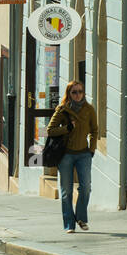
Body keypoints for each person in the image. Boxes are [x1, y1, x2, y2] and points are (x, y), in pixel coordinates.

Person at [46, 80, 98, 233]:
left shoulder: (89, 110)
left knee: (86, 188)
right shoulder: (62, 110)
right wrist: (67, 128)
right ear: (69, 94)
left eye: (80, 91)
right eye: (74, 92)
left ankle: (81, 217)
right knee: (66, 191)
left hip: (84, 154)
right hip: (66, 155)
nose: (77, 95)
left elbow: (94, 131)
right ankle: (69, 224)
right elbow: (50, 130)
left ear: (84, 93)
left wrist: (92, 150)